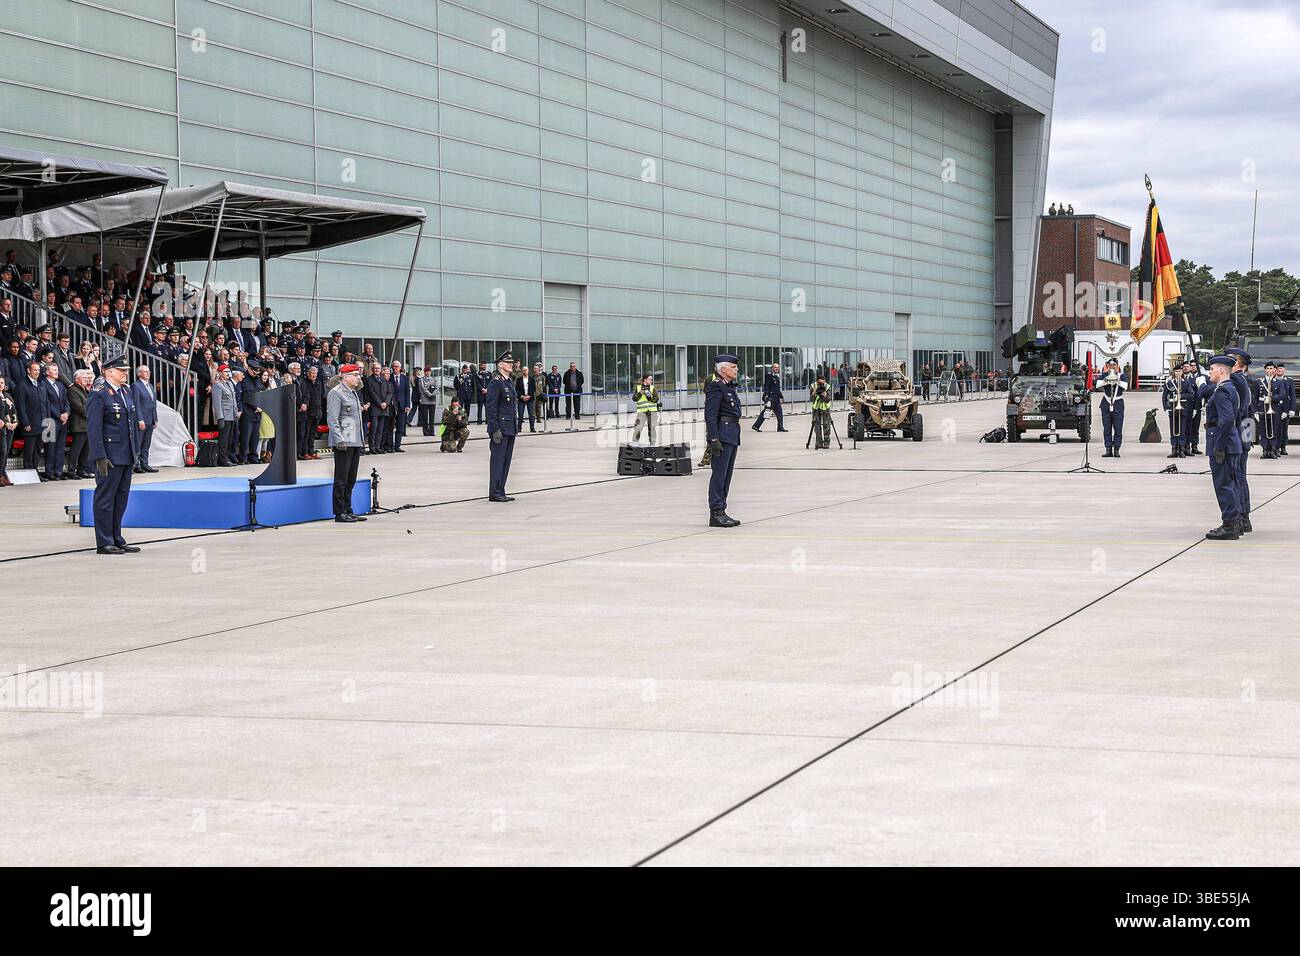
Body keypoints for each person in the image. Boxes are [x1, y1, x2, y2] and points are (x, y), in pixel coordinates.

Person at [86, 355, 142, 554]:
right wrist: (99, 455)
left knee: (120, 500)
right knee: (105, 499)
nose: (125, 373)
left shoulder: (125, 391)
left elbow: (130, 426)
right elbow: (94, 428)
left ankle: (116, 537)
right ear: (109, 372)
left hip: (125, 454)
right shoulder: (99, 393)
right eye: (121, 370)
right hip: (109, 456)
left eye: (126, 370)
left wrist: (135, 453)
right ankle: (104, 541)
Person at [1203, 355, 1244, 541]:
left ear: (1220, 370)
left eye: (1212, 369)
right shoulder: (1229, 388)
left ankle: (1229, 525)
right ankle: (1234, 523)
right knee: (1231, 484)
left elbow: (1226, 420)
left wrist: (1219, 447)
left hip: (1224, 445)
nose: (1210, 372)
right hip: (1230, 444)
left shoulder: (1222, 392)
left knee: (1224, 485)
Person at [704, 353, 742, 528]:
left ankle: (722, 509)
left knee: (727, 475)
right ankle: (716, 512)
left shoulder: (728, 387)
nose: (736, 370)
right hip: (722, 434)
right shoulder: (716, 386)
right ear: (724, 369)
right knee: (719, 475)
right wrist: (713, 438)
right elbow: (710, 415)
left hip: (732, 433)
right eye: (733, 367)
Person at [327, 364, 367, 523]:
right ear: (345, 376)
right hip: (343, 441)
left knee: (351, 478)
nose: (358, 377)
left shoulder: (353, 393)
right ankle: (339, 512)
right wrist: (338, 439)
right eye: (355, 375)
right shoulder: (336, 393)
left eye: (358, 374)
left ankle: (348, 509)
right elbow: (332, 418)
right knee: (341, 479)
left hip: (355, 441)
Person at [1224, 347, 1254, 533]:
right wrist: (1248, 440)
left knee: (1237, 477)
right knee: (1240, 476)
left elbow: (1241, 413)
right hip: (1244, 432)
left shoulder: (1235, 381)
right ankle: (1244, 518)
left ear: (1236, 364)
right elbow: (1250, 415)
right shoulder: (1245, 380)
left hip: (1238, 433)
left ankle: (1242, 517)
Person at [485, 349, 519, 502]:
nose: (512, 365)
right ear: (500, 365)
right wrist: (494, 428)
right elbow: (491, 407)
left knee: (506, 461)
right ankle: (494, 492)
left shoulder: (508, 382)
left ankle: (501, 490)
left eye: (512, 363)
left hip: (510, 428)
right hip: (500, 428)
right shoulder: (496, 382)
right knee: (498, 461)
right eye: (508, 363)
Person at [41, 360, 70, 481]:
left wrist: (66, 413)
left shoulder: (60, 385)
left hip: (63, 421)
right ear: (47, 372)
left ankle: (58, 472)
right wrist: (59, 415)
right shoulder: (43, 384)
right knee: (50, 447)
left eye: (57, 370)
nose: (57, 372)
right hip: (50, 420)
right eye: (54, 370)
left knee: (60, 447)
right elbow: (47, 403)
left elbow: (66, 401)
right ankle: (49, 472)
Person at [1094, 358, 1125, 457]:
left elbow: (1126, 386)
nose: (1112, 367)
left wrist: (1116, 380)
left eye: (1114, 365)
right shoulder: (1104, 375)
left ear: (1117, 366)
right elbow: (1096, 384)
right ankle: (1108, 449)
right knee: (1107, 428)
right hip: (1106, 404)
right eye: (1110, 365)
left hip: (1118, 404)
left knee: (1118, 428)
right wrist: (1106, 380)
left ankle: (1116, 449)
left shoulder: (1122, 375)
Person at [131, 365, 159, 473]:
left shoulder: (150, 386)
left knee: (146, 444)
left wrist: (155, 418)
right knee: (138, 442)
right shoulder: (136, 386)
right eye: (145, 371)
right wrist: (139, 419)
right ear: (139, 374)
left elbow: (154, 404)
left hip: (150, 419)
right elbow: (136, 404)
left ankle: (145, 463)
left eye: (148, 371)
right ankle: (136, 464)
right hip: (142, 419)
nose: (148, 373)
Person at [212, 364, 239, 466]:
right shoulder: (217, 385)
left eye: (229, 371)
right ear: (220, 373)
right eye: (225, 372)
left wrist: (235, 414)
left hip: (231, 415)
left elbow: (234, 400)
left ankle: (226, 457)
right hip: (224, 415)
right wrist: (220, 418)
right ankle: (222, 459)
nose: (228, 373)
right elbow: (217, 403)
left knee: (230, 439)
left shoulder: (229, 384)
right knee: (223, 440)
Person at [1256, 363, 1283, 459]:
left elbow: (1282, 395)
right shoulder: (1259, 381)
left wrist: (1272, 398)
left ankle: (1272, 449)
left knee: (1274, 429)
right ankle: (1265, 450)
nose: (1269, 370)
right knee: (1263, 430)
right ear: (1265, 370)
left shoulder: (1279, 382)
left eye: (1271, 368)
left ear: (1275, 370)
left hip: (1274, 408)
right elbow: (1255, 397)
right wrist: (1255, 411)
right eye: (1267, 368)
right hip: (1262, 408)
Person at [1161, 364, 1188, 458]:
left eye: (1180, 371)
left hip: (1183, 408)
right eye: (1176, 371)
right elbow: (1164, 396)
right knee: (1173, 429)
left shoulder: (1186, 382)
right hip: (1173, 408)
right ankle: (1174, 449)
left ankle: (1181, 449)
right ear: (1174, 372)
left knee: (1182, 430)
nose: (1178, 373)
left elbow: (1191, 394)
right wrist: (1166, 407)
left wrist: (1181, 396)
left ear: (1182, 372)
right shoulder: (1169, 383)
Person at [299, 364, 324, 460]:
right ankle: (305, 452)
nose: (313, 375)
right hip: (309, 412)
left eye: (315, 373)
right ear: (308, 374)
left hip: (317, 412)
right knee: (307, 433)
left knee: (313, 433)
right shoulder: (305, 383)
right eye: (312, 373)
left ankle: (311, 451)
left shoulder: (318, 383)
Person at [631, 372, 661, 445]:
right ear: (645, 380)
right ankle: (634, 444)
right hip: (641, 411)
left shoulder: (652, 388)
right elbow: (634, 399)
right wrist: (640, 393)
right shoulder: (638, 388)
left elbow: (656, 399)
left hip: (652, 411)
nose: (651, 381)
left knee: (652, 428)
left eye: (651, 379)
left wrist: (650, 397)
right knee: (638, 428)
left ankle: (652, 445)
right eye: (650, 379)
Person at [390, 360, 411, 452]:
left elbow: (407, 392)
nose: (395, 368)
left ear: (400, 368)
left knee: (400, 427)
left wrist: (407, 405)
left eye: (397, 367)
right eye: (393, 366)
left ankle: (397, 446)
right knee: (389, 426)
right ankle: (389, 446)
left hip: (402, 406)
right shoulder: (389, 378)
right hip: (392, 406)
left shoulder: (405, 378)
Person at [0, 373, 17, 487]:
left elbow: (14, 411)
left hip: (9, 428)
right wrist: (5, 422)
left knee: (5, 453)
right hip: (2, 428)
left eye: (2, 383)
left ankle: (2, 475)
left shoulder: (7, 396)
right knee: (2, 451)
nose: (0, 385)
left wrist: (15, 422)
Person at [811, 373, 832, 449]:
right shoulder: (813, 386)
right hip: (816, 407)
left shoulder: (827, 386)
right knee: (816, 425)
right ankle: (819, 441)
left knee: (826, 425)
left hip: (825, 408)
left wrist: (825, 395)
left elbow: (828, 399)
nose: (821, 385)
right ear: (817, 382)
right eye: (819, 383)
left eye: (823, 383)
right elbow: (811, 399)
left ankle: (826, 442)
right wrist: (815, 391)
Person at [1277, 362, 1294, 454]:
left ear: (1284, 370)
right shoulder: (1273, 380)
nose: (1279, 370)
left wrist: (1292, 409)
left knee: (1284, 428)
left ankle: (1283, 446)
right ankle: (1276, 446)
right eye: (1278, 368)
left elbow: (1292, 396)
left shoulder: (1289, 381)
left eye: (1281, 368)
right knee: (1276, 428)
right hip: (1276, 407)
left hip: (1286, 408)